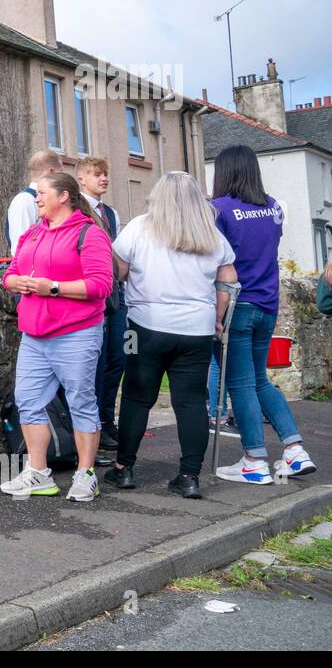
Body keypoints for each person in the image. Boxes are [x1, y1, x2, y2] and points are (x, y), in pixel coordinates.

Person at [104, 173, 237, 499]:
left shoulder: (138, 227)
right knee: (191, 402)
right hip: (196, 331)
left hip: (143, 327)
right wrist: (218, 319)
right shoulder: (211, 236)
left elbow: (116, 272)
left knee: (137, 396)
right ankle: (189, 476)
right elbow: (229, 282)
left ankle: (124, 469)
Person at [0, 173, 113, 500]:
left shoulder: (89, 234)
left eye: (42, 193)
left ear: (64, 196)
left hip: (76, 333)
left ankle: (85, 474)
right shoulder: (32, 234)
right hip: (34, 335)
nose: (36, 198)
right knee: (28, 402)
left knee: (80, 400)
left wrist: (53, 287)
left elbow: (100, 286)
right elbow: (10, 273)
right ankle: (38, 473)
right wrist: (16, 282)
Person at [211, 145, 318, 483]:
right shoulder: (272, 207)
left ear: (225, 171)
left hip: (237, 304)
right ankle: (294, 450)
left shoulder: (218, 210)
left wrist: (216, 315)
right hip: (268, 304)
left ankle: (254, 460)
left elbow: (218, 264)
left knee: (240, 384)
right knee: (259, 380)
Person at [76, 155, 125, 451]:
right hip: (91, 295)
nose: (103, 179)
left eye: (105, 174)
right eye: (96, 174)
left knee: (117, 359)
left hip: (115, 294)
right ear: (82, 178)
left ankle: (108, 420)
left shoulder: (111, 213)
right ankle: (93, 428)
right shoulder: (79, 209)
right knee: (95, 364)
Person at [5, 150, 62, 256]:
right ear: (51, 171)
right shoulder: (24, 201)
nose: (63, 178)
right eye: (61, 172)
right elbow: (21, 250)